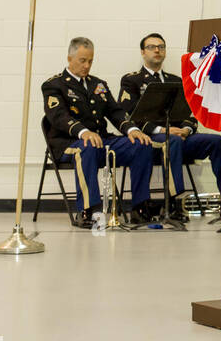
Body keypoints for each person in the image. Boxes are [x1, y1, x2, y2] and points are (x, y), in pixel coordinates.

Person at [42, 37, 158, 226]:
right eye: (82, 60)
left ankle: (140, 207)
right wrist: (83, 132)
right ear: (69, 58)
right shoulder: (54, 85)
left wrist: (133, 129)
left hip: (102, 140)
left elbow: (116, 112)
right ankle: (89, 210)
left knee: (141, 144)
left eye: (90, 61)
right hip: (68, 143)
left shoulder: (98, 84)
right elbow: (59, 116)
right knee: (86, 146)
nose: (87, 65)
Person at [120, 32, 221, 220]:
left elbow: (193, 112)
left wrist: (186, 129)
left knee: (216, 141)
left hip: (180, 136)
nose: (157, 50)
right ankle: (173, 204)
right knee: (173, 140)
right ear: (143, 53)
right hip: (151, 140)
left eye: (161, 47)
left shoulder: (176, 80)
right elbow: (130, 116)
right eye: (152, 47)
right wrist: (163, 130)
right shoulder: (131, 81)